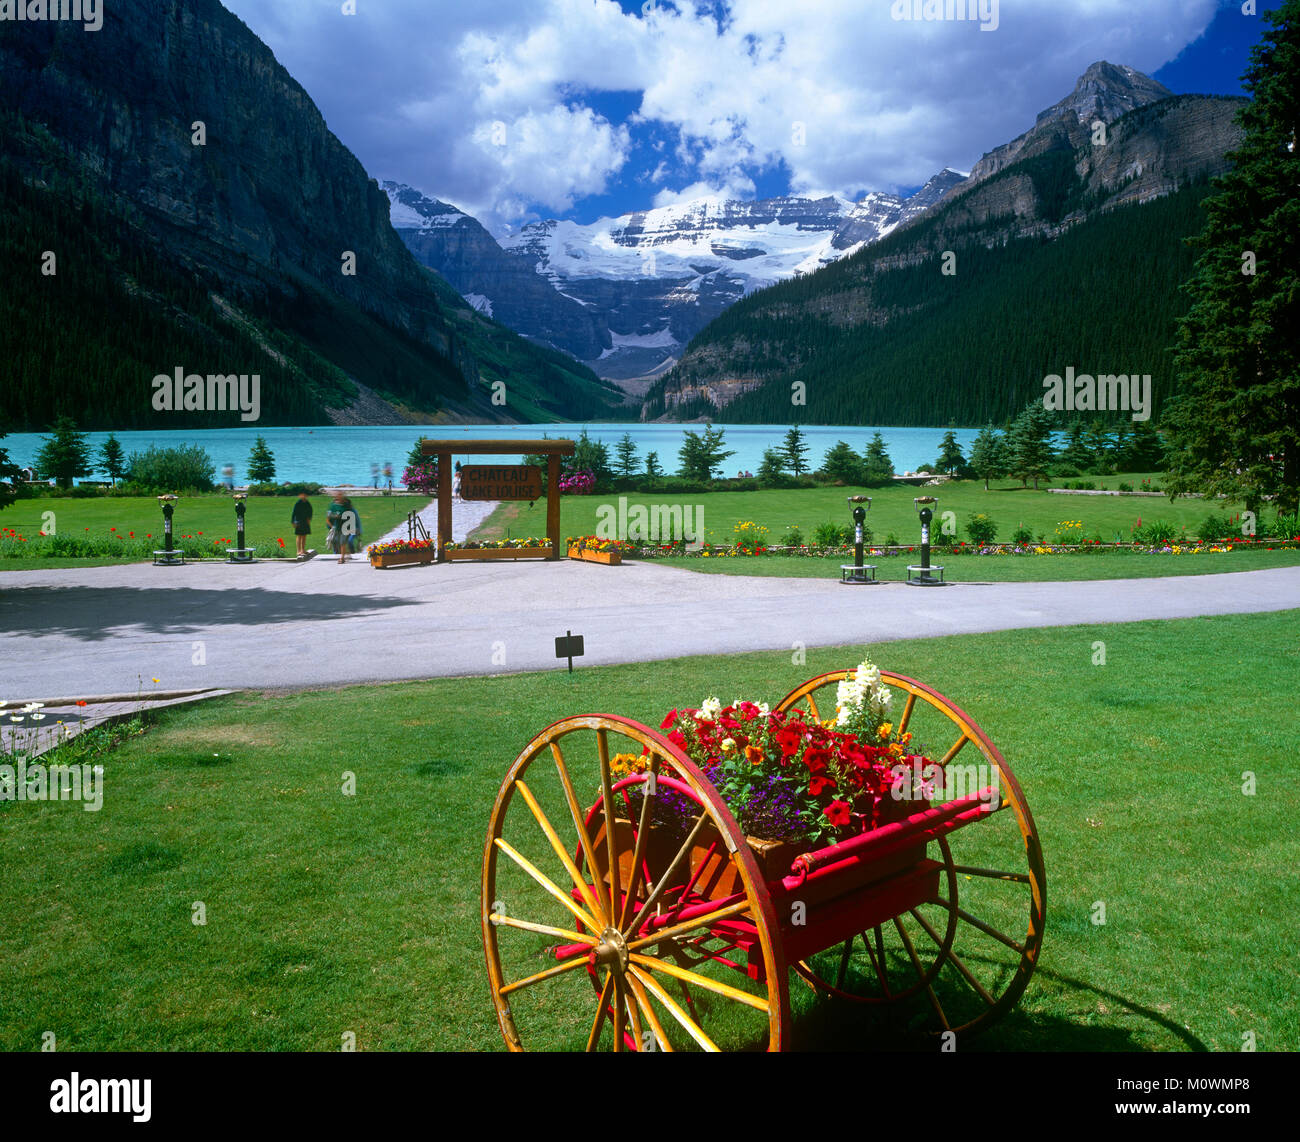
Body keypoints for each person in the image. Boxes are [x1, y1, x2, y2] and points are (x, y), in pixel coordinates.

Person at [291, 491, 313, 559]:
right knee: (299, 535)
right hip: (299, 521)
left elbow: (310, 511)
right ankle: (298, 551)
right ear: (299, 496)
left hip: (305, 521)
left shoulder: (307, 503)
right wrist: (293, 522)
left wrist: (309, 519)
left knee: (304, 535)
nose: (303, 496)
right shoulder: (298, 503)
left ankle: (303, 549)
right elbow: (294, 513)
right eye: (302, 495)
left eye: (305, 495)